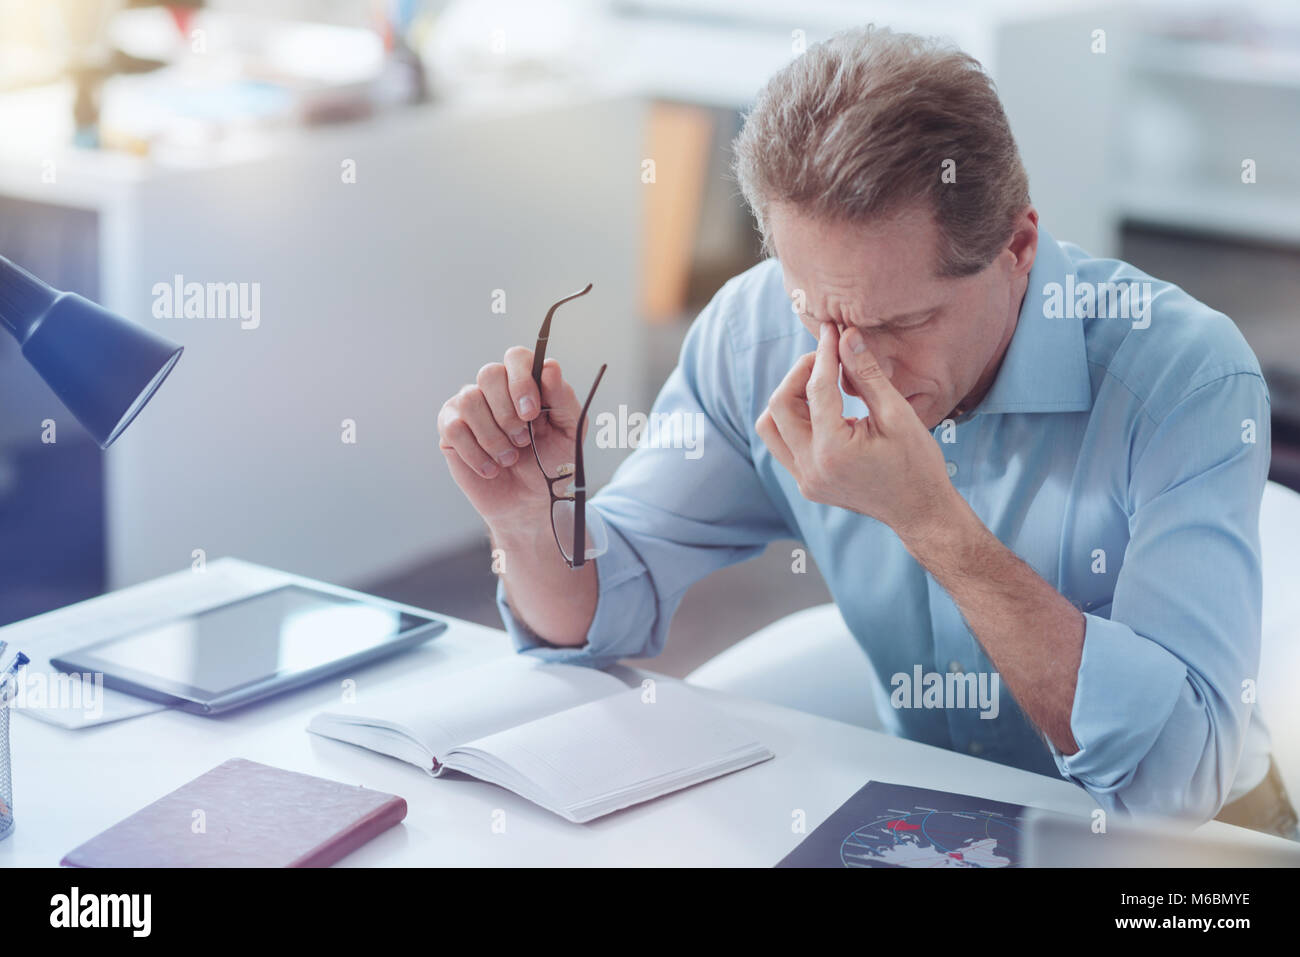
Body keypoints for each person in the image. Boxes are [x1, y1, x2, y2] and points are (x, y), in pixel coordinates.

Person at [436, 26, 1297, 839]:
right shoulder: (754, 331)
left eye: (902, 322)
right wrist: (528, 520)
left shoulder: (1186, 378)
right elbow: (603, 614)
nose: (851, 368)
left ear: (1019, 244)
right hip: (932, 818)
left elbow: (1174, 783)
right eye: (816, 311)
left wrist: (935, 526)